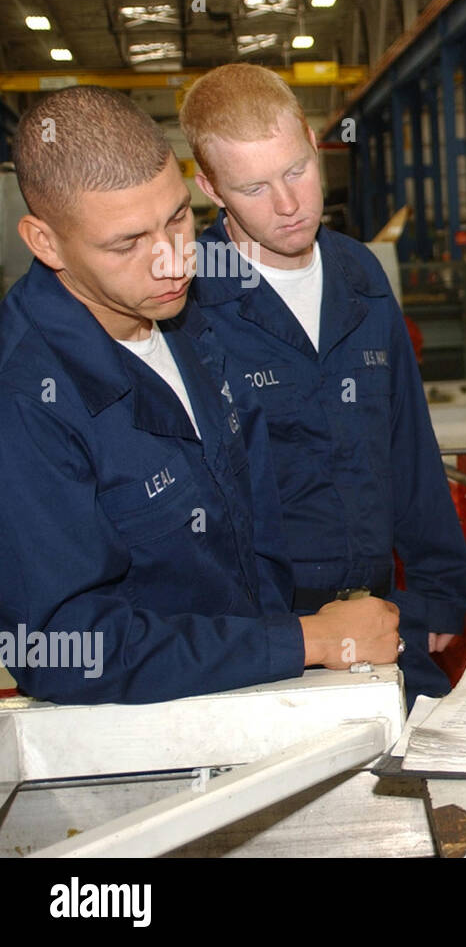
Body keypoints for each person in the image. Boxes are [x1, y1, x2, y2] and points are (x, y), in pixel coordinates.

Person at [0, 86, 400, 704]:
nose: (171, 262)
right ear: (45, 241)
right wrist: (306, 642)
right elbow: (59, 647)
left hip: (252, 707)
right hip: (148, 761)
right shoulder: (26, 401)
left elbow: (254, 534)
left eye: (178, 218)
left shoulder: (185, 325)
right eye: (127, 243)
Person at [179, 64, 466, 704]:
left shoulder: (360, 275)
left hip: (383, 615)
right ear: (209, 187)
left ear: (314, 144)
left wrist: (440, 587)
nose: (287, 205)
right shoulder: (187, 301)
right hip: (265, 629)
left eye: (296, 172)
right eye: (254, 187)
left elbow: (407, 442)